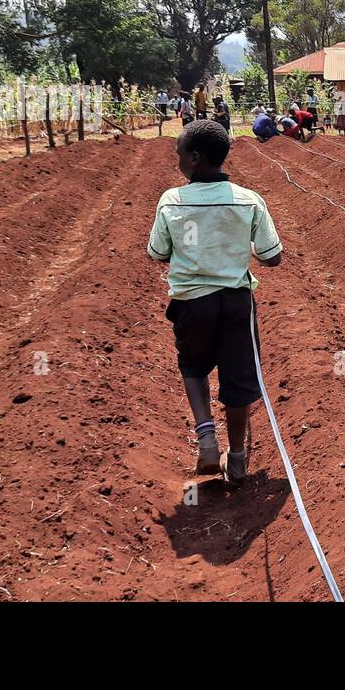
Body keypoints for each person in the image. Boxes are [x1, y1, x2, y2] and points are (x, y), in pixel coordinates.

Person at [147, 120, 284, 485]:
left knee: (193, 367)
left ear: (193, 159)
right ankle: (237, 458)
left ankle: (207, 438)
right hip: (236, 303)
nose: (177, 162)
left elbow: (158, 252)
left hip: (192, 303)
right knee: (237, 378)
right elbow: (273, 256)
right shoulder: (248, 200)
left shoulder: (171, 201)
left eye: (179, 155)